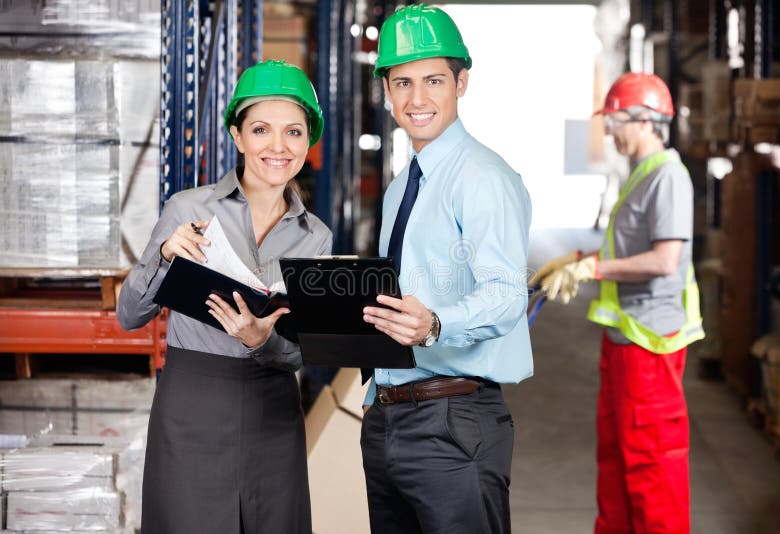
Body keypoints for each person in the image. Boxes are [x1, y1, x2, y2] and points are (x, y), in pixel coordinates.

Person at [116, 60, 331, 534]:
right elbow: (129, 315)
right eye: (261, 130)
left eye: (294, 132)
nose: (278, 146)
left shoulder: (315, 237)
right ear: (238, 136)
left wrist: (263, 341)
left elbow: (302, 350)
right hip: (192, 407)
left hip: (273, 413)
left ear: (308, 142)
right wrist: (166, 258)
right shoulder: (187, 209)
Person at [359, 5, 532, 534]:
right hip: (389, 416)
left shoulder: (482, 177)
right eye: (402, 82)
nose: (417, 99)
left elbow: (506, 293)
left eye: (433, 80)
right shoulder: (400, 188)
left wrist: (434, 324)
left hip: (453, 421)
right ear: (386, 92)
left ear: (462, 83)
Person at [531, 72, 704, 534]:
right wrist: (580, 257)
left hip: (651, 345)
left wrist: (595, 270)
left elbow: (665, 259)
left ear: (645, 121)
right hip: (625, 339)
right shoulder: (643, 175)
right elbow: (631, 246)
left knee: (652, 467)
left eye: (615, 122)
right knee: (616, 459)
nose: (609, 132)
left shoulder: (668, 177)